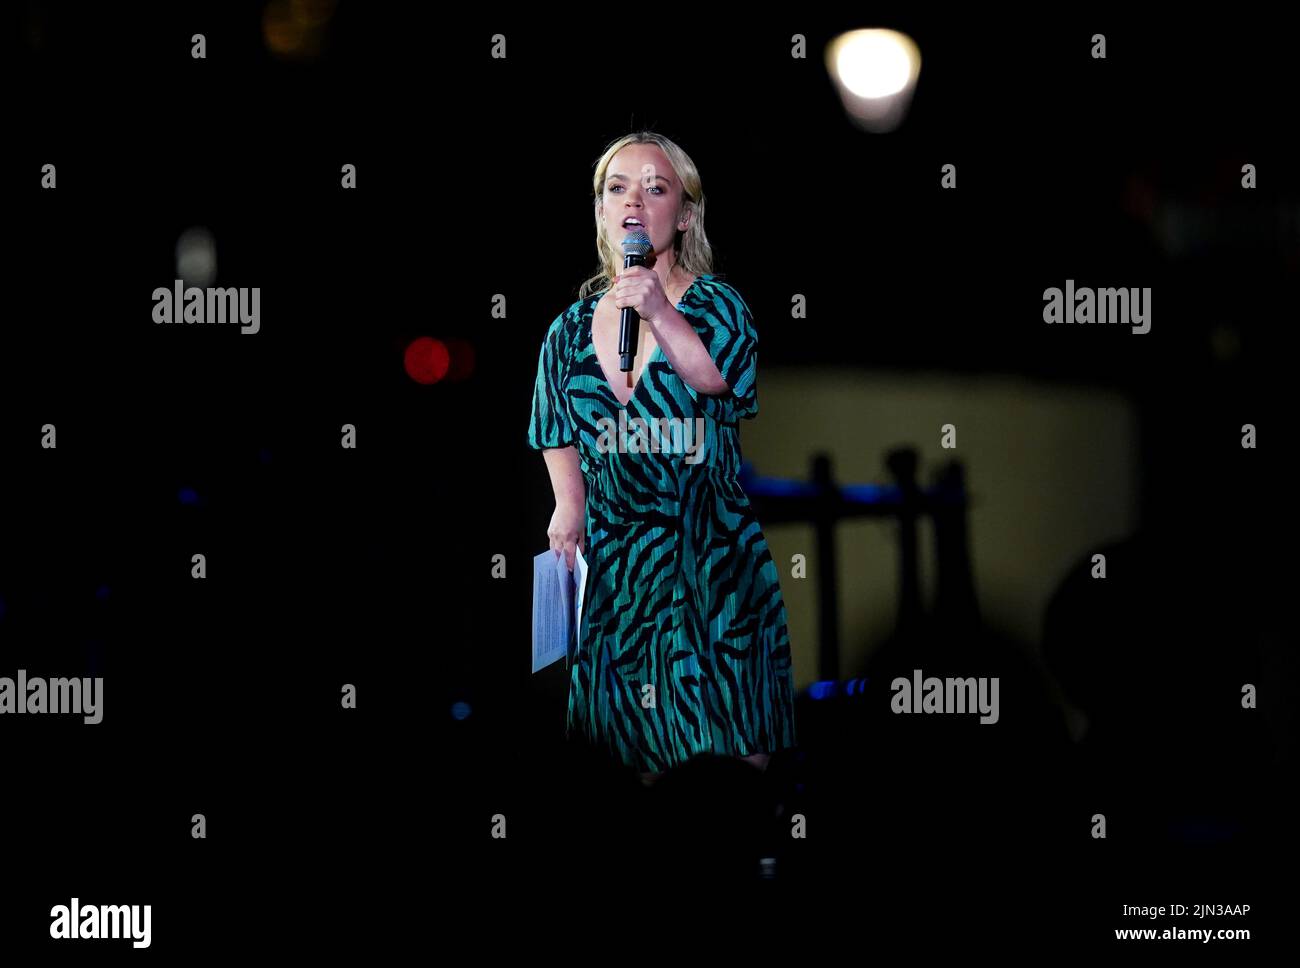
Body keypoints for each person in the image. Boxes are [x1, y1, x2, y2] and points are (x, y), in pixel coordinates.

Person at [527, 131, 797, 786]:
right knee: (617, 783)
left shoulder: (716, 306)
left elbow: (716, 376)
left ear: (685, 213)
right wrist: (568, 502)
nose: (634, 202)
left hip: (709, 566)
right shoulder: (568, 328)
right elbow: (552, 423)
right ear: (600, 210)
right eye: (617, 187)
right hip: (616, 580)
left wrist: (658, 309)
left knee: (721, 777)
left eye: (656, 188)